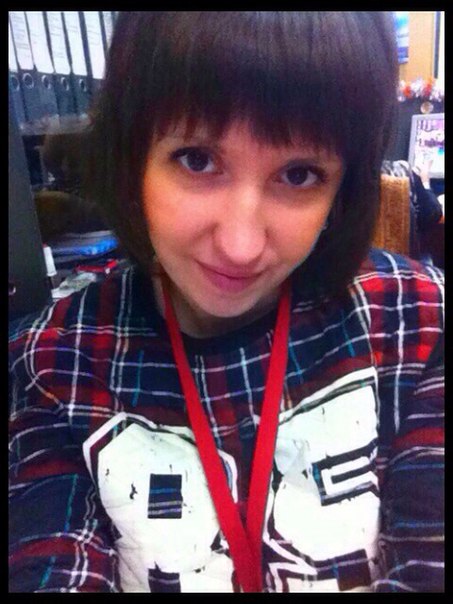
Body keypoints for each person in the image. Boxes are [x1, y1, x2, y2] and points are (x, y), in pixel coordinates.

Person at [9, 12, 444, 593]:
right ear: (133, 157)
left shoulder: (416, 323)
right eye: (197, 160)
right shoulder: (56, 360)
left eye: (299, 174)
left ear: (344, 189)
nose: (241, 246)